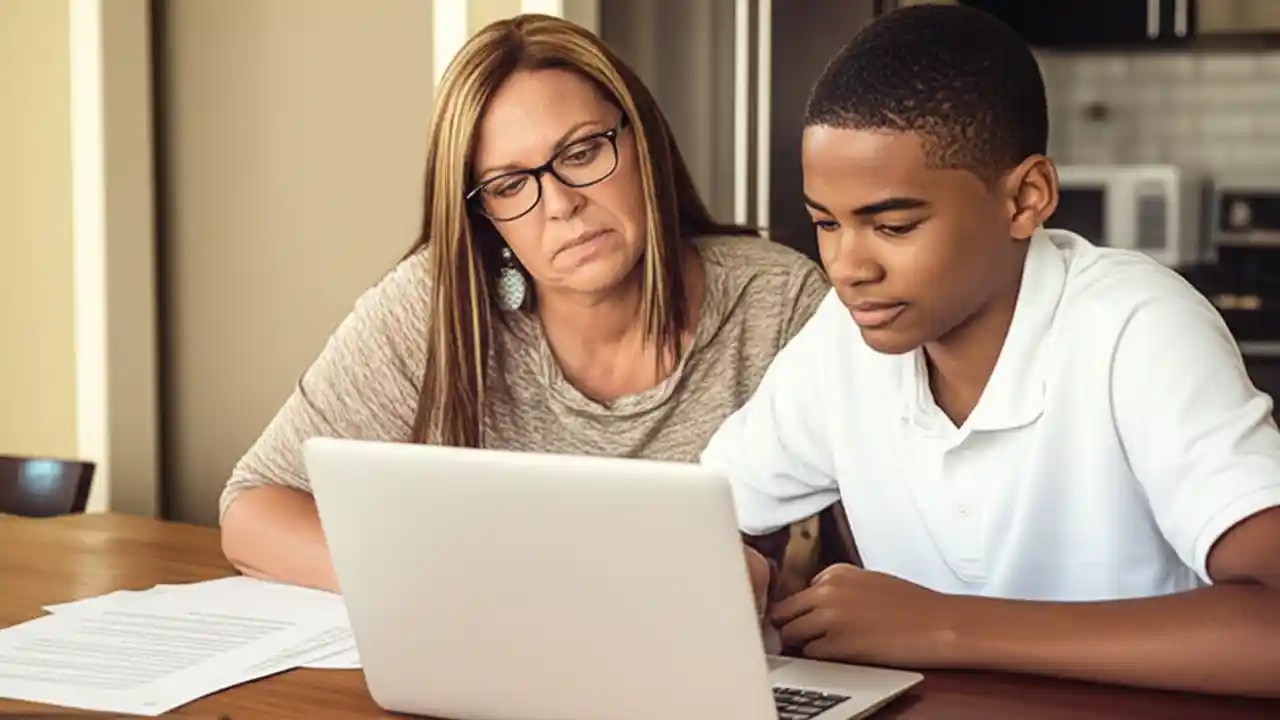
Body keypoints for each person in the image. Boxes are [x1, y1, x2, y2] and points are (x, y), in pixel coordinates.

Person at [707, 4, 1280, 697]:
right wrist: (727, 564)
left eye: (893, 226)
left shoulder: (1137, 328)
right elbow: (705, 517)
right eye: (826, 224)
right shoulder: (844, 336)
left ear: (1025, 199)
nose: (847, 267)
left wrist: (944, 626)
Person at [219, 14, 828, 593]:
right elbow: (254, 508)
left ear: (643, 142)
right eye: (510, 185)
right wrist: (444, 585)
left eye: (582, 152)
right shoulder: (437, 303)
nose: (560, 204)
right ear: (485, 216)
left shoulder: (778, 303)